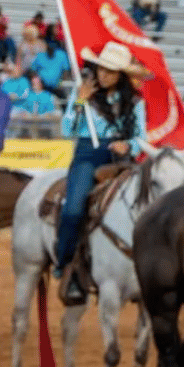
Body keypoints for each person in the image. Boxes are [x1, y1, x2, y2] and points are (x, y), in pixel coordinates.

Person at [52, 41, 150, 305]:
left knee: (147, 206)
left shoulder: (136, 102)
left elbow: (142, 138)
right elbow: (67, 130)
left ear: (121, 75)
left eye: (110, 71)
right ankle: (66, 264)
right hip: (88, 155)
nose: (103, 75)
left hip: (121, 158)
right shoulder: (83, 93)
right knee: (74, 209)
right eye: (101, 69)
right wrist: (79, 102)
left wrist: (127, 144)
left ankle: (148, 269)